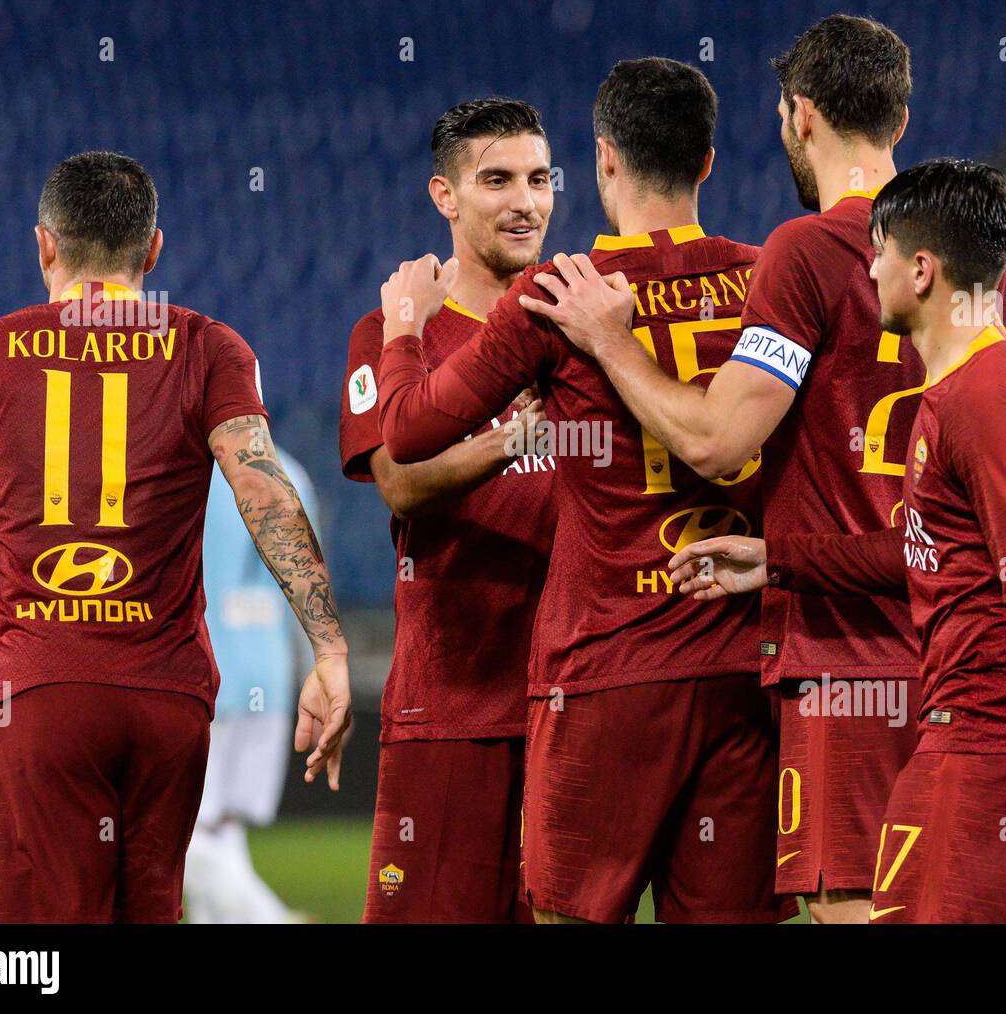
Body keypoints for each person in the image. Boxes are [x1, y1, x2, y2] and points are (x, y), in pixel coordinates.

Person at [521, 16, 1006, 923]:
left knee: (854, 913)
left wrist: (611, 342)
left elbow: (719, 443)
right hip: (963, 643)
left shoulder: (802, 252)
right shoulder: (992, 270)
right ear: (902, 120)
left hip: (845, 651)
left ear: (798, 116)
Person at [378, 60, 792, 924]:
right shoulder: (771, 282)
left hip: (607, 668)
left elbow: (409, 433)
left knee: (569, 915)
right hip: (741, 663)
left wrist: (405, 333)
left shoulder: (557, 295)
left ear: (603, 160)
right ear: (709, 162)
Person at [668, 159, 1006, 922]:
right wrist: (780, 560)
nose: (867, 269)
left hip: (992, 732)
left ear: (920, 270)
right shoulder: (987, 380)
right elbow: (923, 550)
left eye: (877, 252)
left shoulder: (984, 395)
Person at [0, 151, 350, 923]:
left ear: (44, 244)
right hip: (165, 691)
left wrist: (31, 587)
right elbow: (264, 493)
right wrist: (329, 649)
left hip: (35, 688)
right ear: (152, 250)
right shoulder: (212, 349)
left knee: (36, 945)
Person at [341, 98, 557, 923]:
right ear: (445, 196)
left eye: (539, 179)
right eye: (497, 179)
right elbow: (398, 481)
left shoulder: (580, 324)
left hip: (568, 698)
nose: (525, 201)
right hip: (453, 700)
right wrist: (507, 441)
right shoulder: (394, 334)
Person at [184, 447, 318, 924]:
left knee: (186, 824)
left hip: (208, 667)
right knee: (223, 822)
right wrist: (314, 674)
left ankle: (267, 918)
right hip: (271, 672)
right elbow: (309, 587)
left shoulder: (193, 473)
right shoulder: (293, 473)